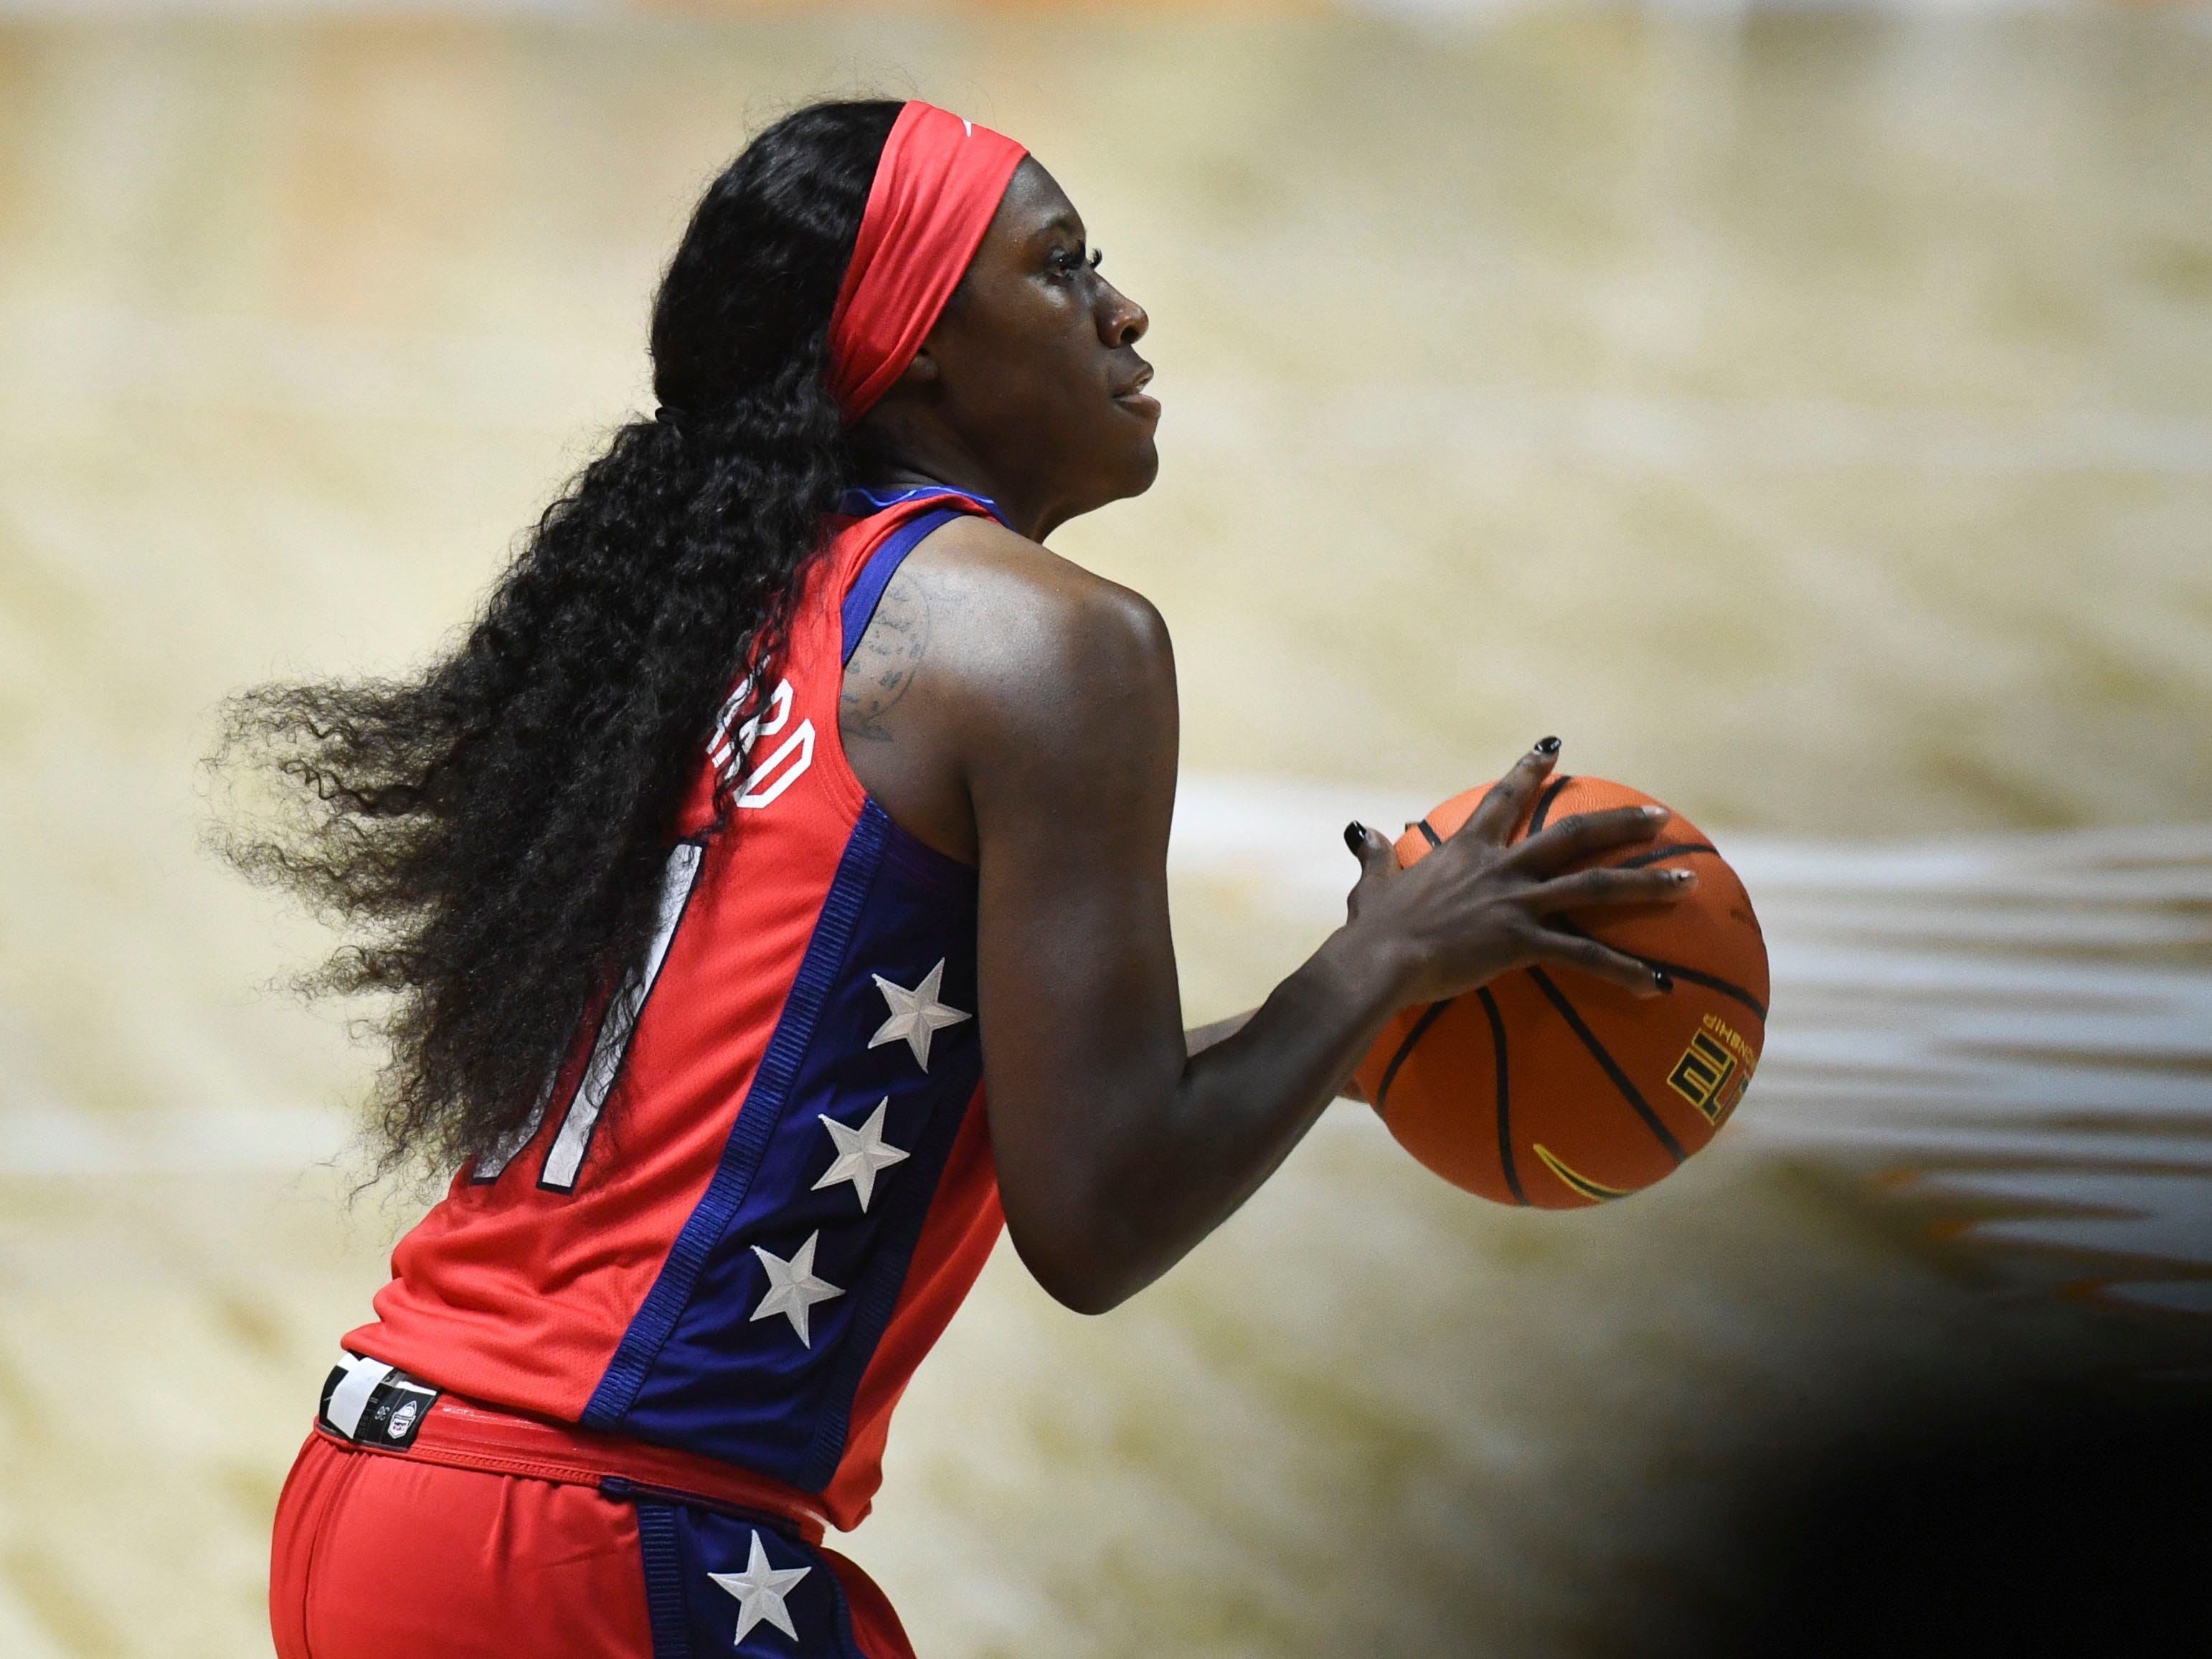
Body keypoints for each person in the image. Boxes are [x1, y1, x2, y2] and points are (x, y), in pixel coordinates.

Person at [234, 98, 1690, 1659]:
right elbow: (1100, 1212)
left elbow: (950, 1091)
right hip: (605, 1542)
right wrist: (1371, 965)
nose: (1121, 307)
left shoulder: (714, 614)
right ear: (920, 340)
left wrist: (1325, 1038)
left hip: (388, 1495)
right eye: (1060, 267)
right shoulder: (1049, 641)